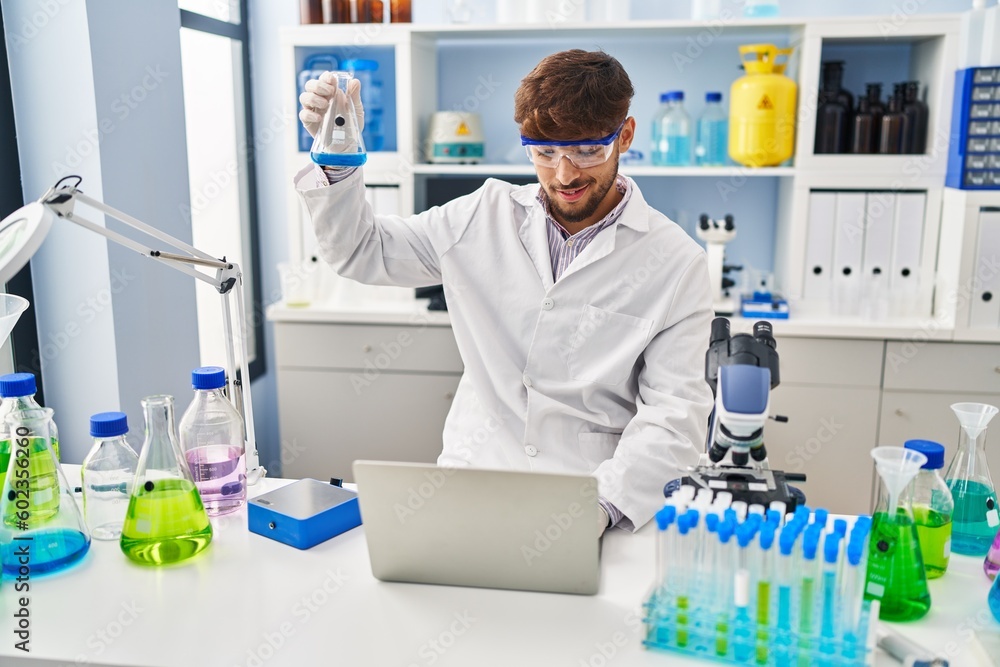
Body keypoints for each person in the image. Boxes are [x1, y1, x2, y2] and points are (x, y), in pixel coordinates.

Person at [296, 49, 713, 535]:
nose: (565, 175)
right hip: (471, 487)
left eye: (586, 151)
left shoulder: (677, 262)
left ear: (625, 135)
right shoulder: (482, 215)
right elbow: (362, 251)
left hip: (589, 503)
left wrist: (596, 509)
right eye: (545, 152)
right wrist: (339, 156)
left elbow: (673, 419)